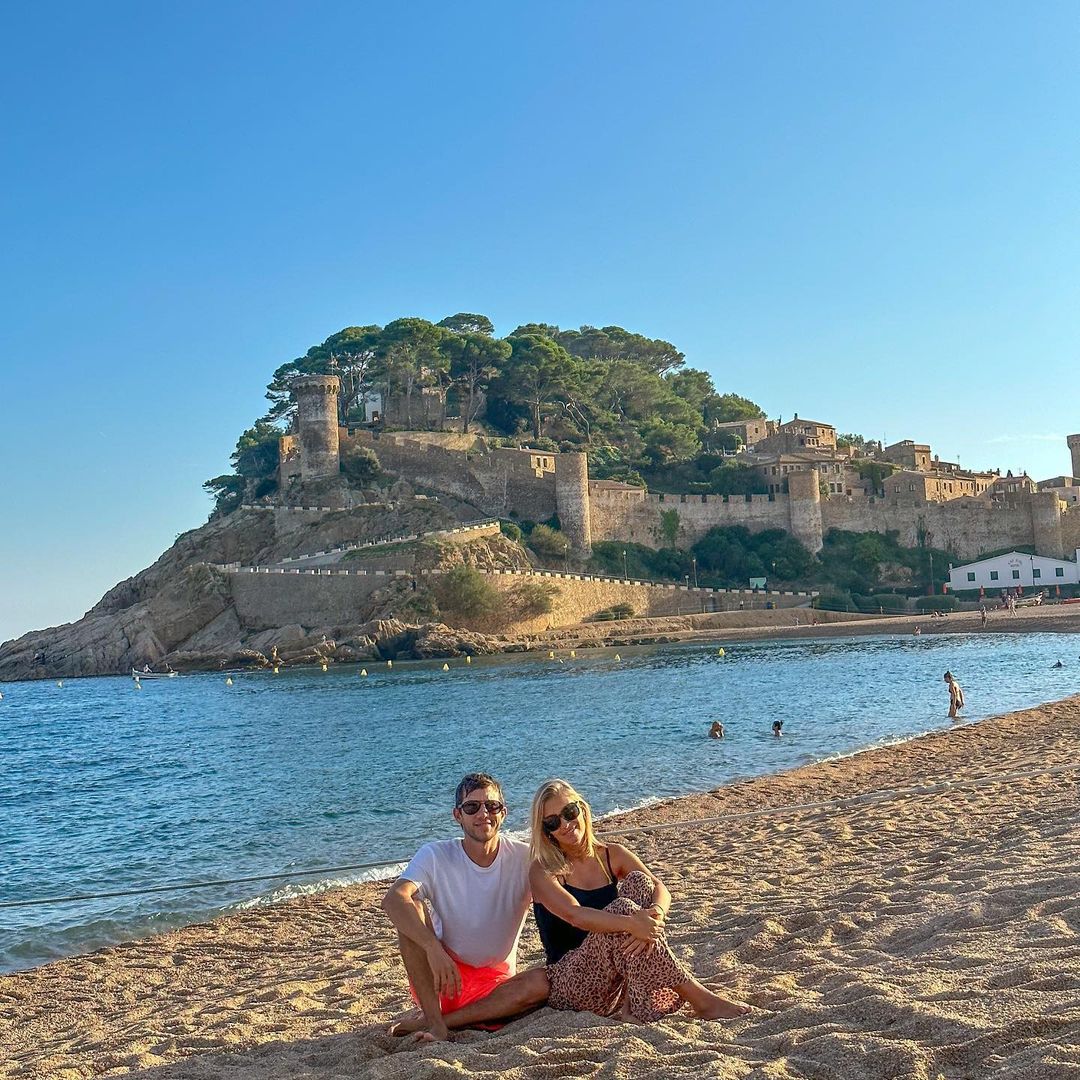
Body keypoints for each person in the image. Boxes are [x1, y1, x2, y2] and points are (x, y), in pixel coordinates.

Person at [529, 779, 749, 1022]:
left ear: (582, 809)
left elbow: (659, 887)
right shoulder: (543, 869)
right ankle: (701, 999)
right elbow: (575, 915)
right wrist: (632, 923)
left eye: (569, 812)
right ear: (545, 830)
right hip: (572, 983)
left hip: (617, 983)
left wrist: (654, 916)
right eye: (553, 821)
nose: (566, 824)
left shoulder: (611, 854)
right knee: (624, 909)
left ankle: (631, 1005)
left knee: (640, 883)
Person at [382, 773, 539, 1042]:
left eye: (492, 806)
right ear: (458, 815)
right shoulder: (435, 855)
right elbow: (393, 899)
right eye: (472, 807)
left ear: (503, 813)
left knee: (540, 983)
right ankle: (436, 1023)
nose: (483, 813)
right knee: (411, 909)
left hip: (498, 987)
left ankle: (438, 1023)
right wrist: (432, 948)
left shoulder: (525, 858)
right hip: (444, 979)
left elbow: (564, 894)